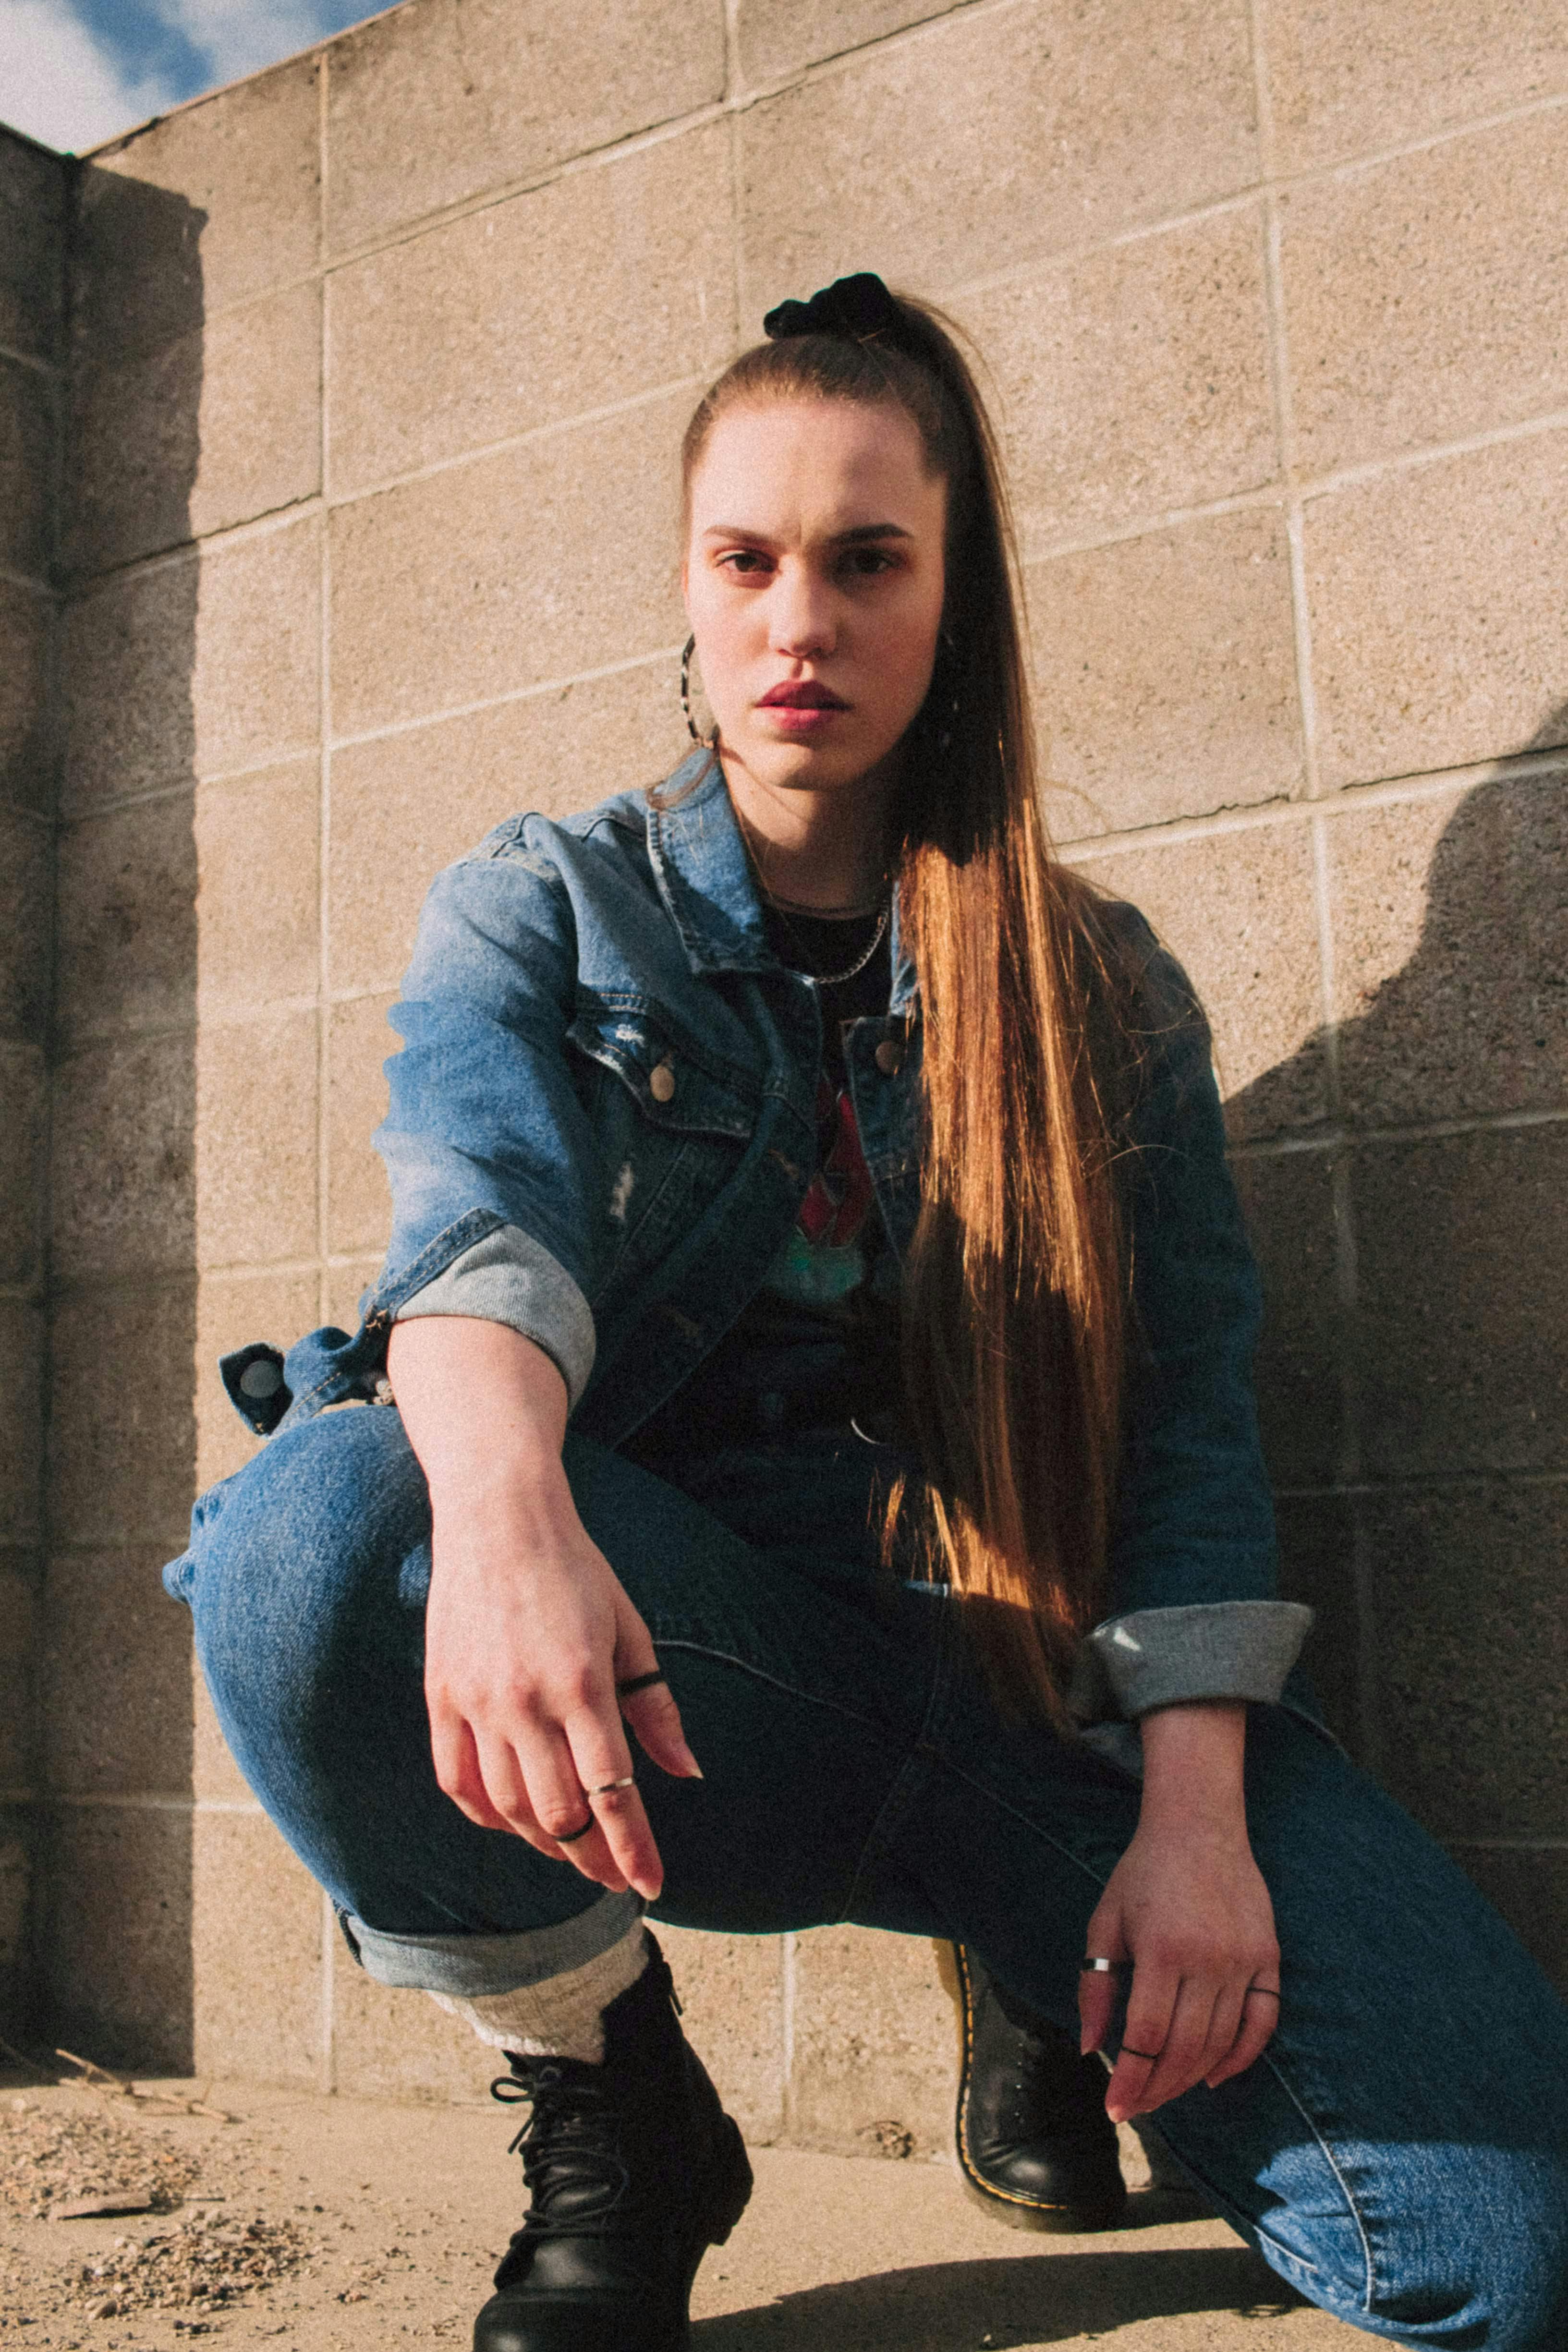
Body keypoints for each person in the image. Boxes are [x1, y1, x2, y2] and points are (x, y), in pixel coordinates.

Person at [165, 274, 1568, 2352]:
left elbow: (1180, 1420)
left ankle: (1040, 1973)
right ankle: (615, 2106)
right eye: (746, 560)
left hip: (1029, 1679)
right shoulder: (552, 903)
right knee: (311, 1539)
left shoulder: (1097, 989)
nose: (797, 620)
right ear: (689, 588)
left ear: (953, 601)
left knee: (1508, 2256)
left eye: (864, 560)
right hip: (707, 1681)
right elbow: (475, 1228)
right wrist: (512, 1513)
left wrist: (1191, 1829)